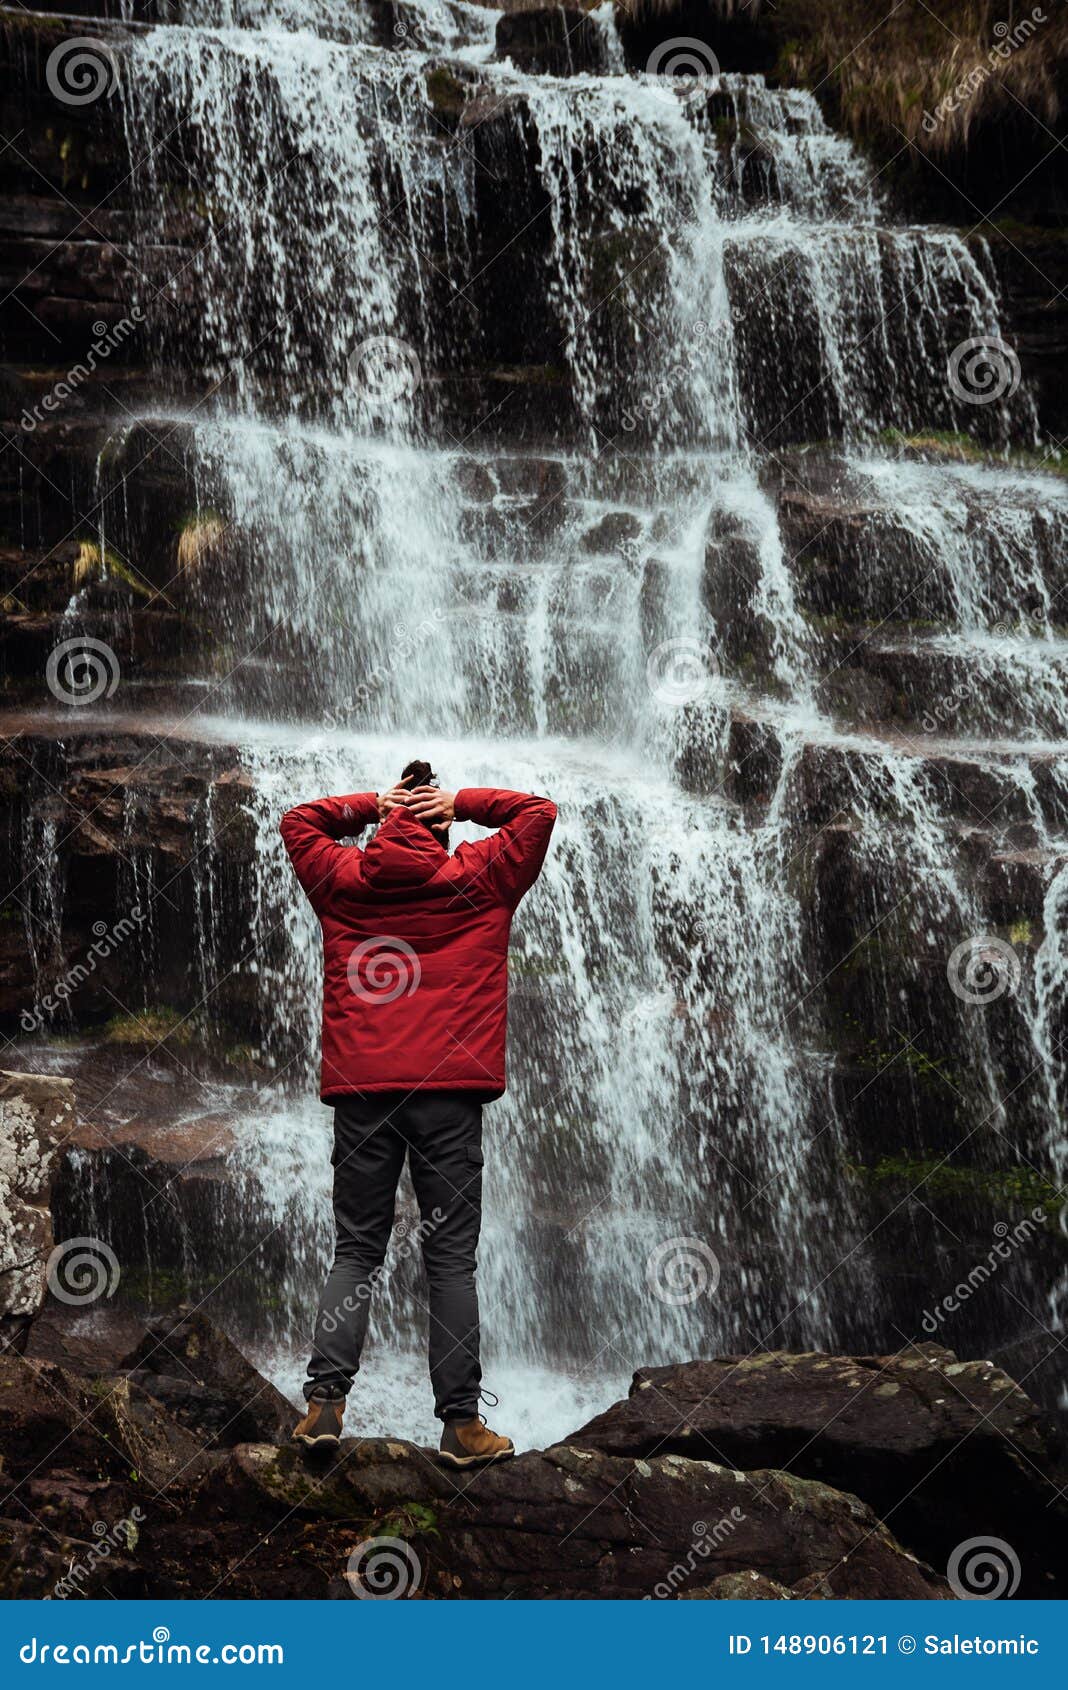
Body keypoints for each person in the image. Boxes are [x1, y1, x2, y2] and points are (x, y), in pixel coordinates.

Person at [279, 760, 556, 1466]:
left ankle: (322, 1409)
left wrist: (370, 801)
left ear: (382, 824)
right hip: (448, 1098)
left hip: (363, 1095)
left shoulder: (342, 882)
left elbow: (298, 821)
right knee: (450, 1260)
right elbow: (537, 814)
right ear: (437, 823)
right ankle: (462, 1427)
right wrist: (461, 803)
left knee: (357, 1251)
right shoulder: (481, 876)